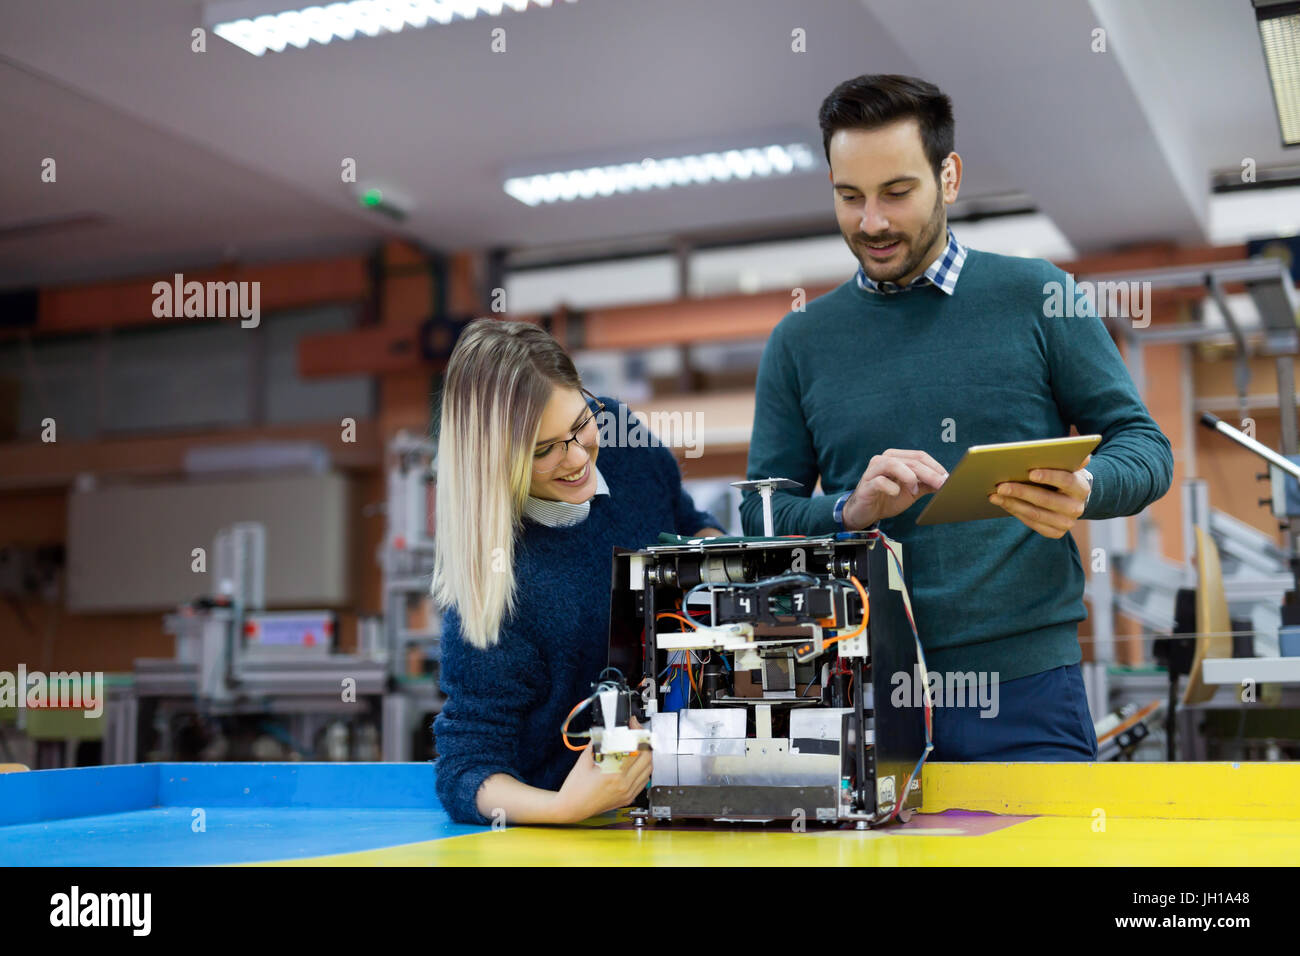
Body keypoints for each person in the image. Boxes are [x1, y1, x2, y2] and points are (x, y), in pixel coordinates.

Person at [740, 74, 1174, 760]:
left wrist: (1086, 489)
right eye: (849, 197)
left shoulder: (1036, 296)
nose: (872, 222)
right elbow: (762, 517)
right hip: (866, 694)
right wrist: (849, 510)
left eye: (896, 192)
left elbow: (1147, 448)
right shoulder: (799, 341)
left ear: (949, 177)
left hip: (1029, 689)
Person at [431, 318, 724, 825]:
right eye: (544, 450)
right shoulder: (498, 579)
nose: (577, 457)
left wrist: (726, 565)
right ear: (493, 460)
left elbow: (687, 520)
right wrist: (565, 807)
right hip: (577, 832)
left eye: (579, 424)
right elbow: (466, 769)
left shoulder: (621, 435)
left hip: (692, 797)